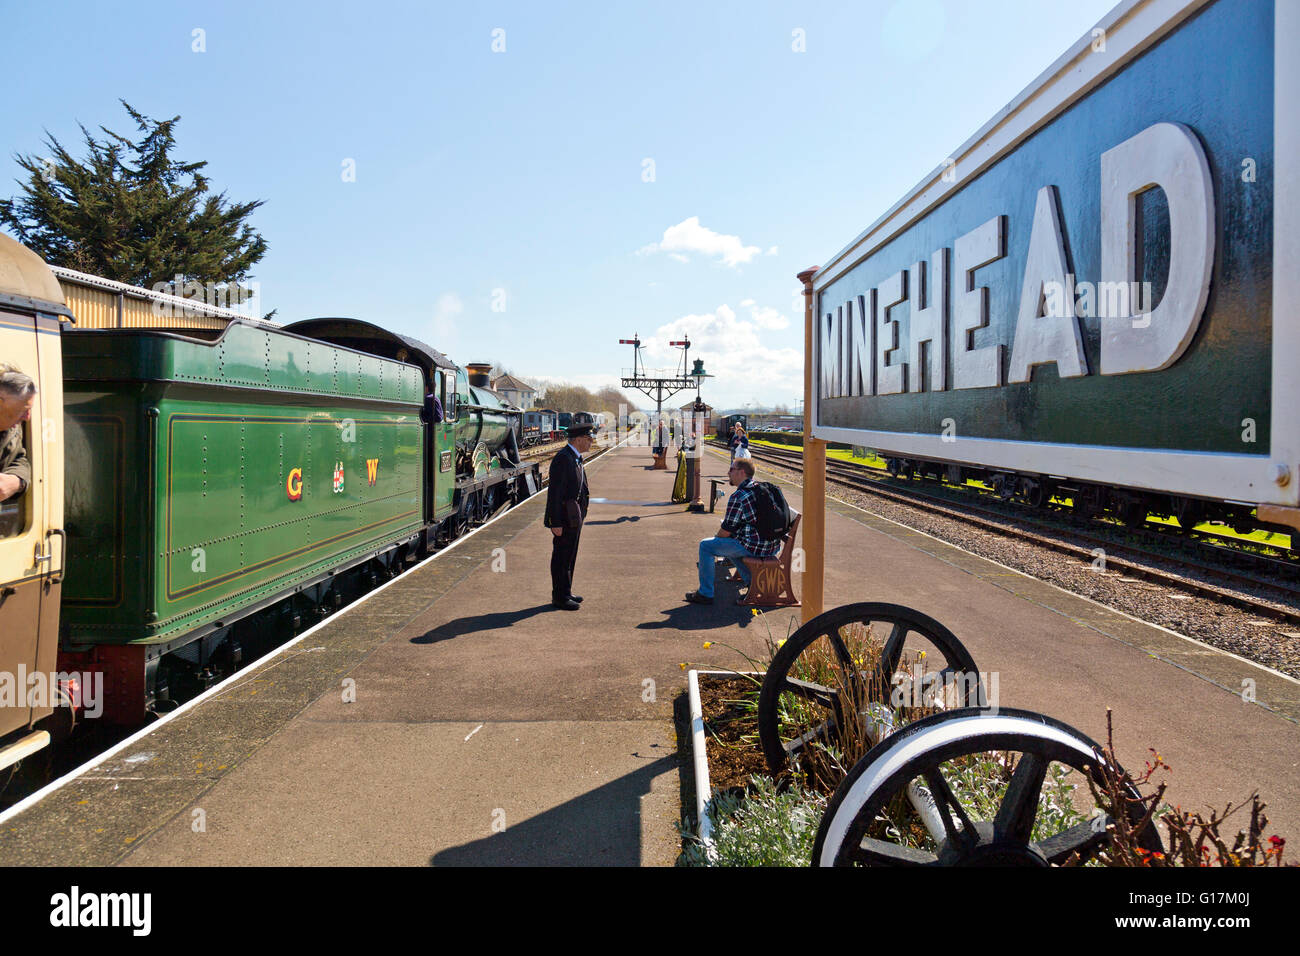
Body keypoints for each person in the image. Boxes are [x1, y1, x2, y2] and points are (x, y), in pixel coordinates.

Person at [685, 457, 781, 604]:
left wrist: (718, 540)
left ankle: (705, 593)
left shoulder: (739, 495)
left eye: (731, 469)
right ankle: (752, 585)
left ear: (741, 473)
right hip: (772, 545)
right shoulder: (762, 488)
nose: (728, 472)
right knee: (733, 545)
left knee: (706, 546)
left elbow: (726, 529)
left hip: (755, 547)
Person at [544, 422, 593, 610]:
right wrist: (554, 522)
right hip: (564, 517)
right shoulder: (563, 459)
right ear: (579, 439)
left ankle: (566, 590)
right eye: (588, 439)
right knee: (561, 557)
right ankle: (559, 596)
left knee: (570, 555)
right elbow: (555, 494)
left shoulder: (575, 457)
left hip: (574, 516)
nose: (591, 442)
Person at [0, 365, 37, 505]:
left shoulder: (12, 429)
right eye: (23, 410)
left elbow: (19, 459)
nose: (27, 417)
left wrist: (16, 481)